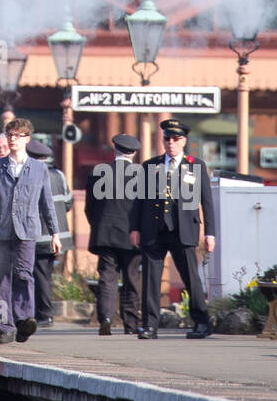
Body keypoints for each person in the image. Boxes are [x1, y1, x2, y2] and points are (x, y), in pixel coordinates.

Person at [0, 118, 60, 345]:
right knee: (0, 279)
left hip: (26, 231)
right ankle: (4, 327)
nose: (12, 139)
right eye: (9, 135)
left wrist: (55, 233)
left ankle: (24, 320)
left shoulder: (39, 169)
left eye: (17, 136)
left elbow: (47, 203)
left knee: (23, 274)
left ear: (27, 139)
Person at [130, 118, 215, 339]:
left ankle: (201, 322)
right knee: (151, 279)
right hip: (154, 230)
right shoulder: (150, 165)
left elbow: (207, 201)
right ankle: (150, 326)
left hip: (183, 230)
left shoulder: (195, 166)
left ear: (184, 141)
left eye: (176, 139)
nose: (171, 143)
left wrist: (210, 233)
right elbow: (138, 200)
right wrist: (134, 228)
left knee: (191, 278)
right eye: (167, 139)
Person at [86, 133, 143, 336]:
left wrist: (98, 225)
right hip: (132, 236)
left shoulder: (99, 172)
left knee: (107, 278)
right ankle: (131, 323)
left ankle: (106, 318)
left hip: (106, 233)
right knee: (131, 279)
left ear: (114, 150)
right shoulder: (142, 174)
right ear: (134, 153)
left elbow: (90, 207)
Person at [26, 140, 72, 326]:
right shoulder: (59, 175)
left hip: (40, 236)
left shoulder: (31, 174)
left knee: (40, 275)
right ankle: (43, 312)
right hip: (59, 236)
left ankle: (44, 314)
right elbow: (68, 203)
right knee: (46, 274)